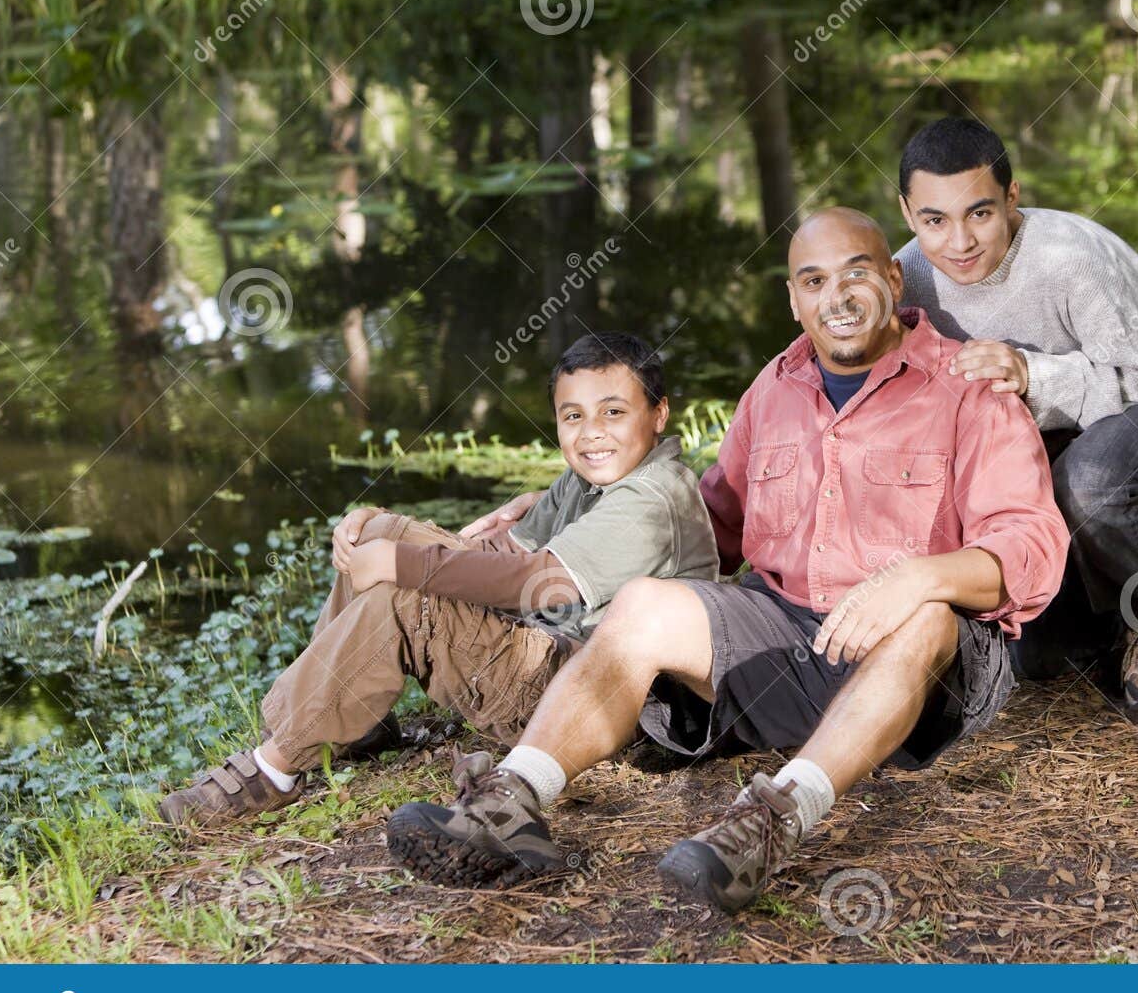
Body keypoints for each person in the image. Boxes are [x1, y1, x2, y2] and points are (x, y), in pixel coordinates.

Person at [382, 207, 1069, 911]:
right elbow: (709, 521)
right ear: (794, 299)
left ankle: (772, 823)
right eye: (814, 280)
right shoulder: (774, 388)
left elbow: (1033, 546)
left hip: (925, 674)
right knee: (645, 603)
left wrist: (920, 577)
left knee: (926, 615)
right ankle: (511, 803)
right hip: (788, 641)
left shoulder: (966, 385)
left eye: (856, 273)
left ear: (894, 279)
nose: (837, 296)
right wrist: (572, 513)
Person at [155, 332, 719, 826]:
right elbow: (500, 551)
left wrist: (401, 567)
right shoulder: (593, 477)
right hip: (556, 651)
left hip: (598, 697)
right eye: (573, 416)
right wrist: (382, 535)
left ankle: (274, 770)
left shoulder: (651, 499)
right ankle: (349, 722)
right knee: (383, 532)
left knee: (407, 599)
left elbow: (531, 581)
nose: (591, 433)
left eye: (613, 412)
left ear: (659, 414)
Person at [894, 116, 1138, 710]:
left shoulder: (1068, 256)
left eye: (979, 213)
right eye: (935, 220)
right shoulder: (906, 279)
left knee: (1091, 485)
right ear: (907, 213)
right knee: (1044, 657)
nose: (960, 242)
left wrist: (1031, 373)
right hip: (1063, 416)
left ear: (1012, 197)